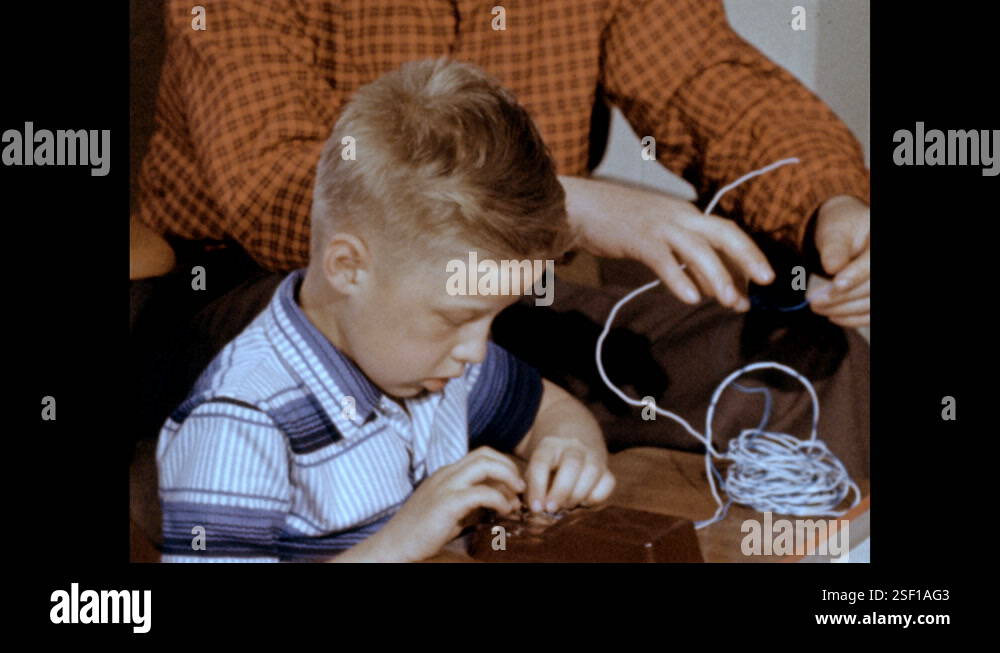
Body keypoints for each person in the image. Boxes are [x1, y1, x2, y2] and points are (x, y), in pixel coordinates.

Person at [133, 0, 870, 487]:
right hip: (280, 290)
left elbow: (710, 82)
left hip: (503, 296)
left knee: (811, 357)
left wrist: (829, 203)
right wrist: (555, 204)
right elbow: (277, 189)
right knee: (365, 350)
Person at [157, 59, 615, 562]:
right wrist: (401, 542)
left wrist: (569, 449)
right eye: (456, 317)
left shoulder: (435, 369)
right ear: (348, 268)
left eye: (494, 318)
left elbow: (550, 411)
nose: (477, 350)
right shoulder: (241, 419)